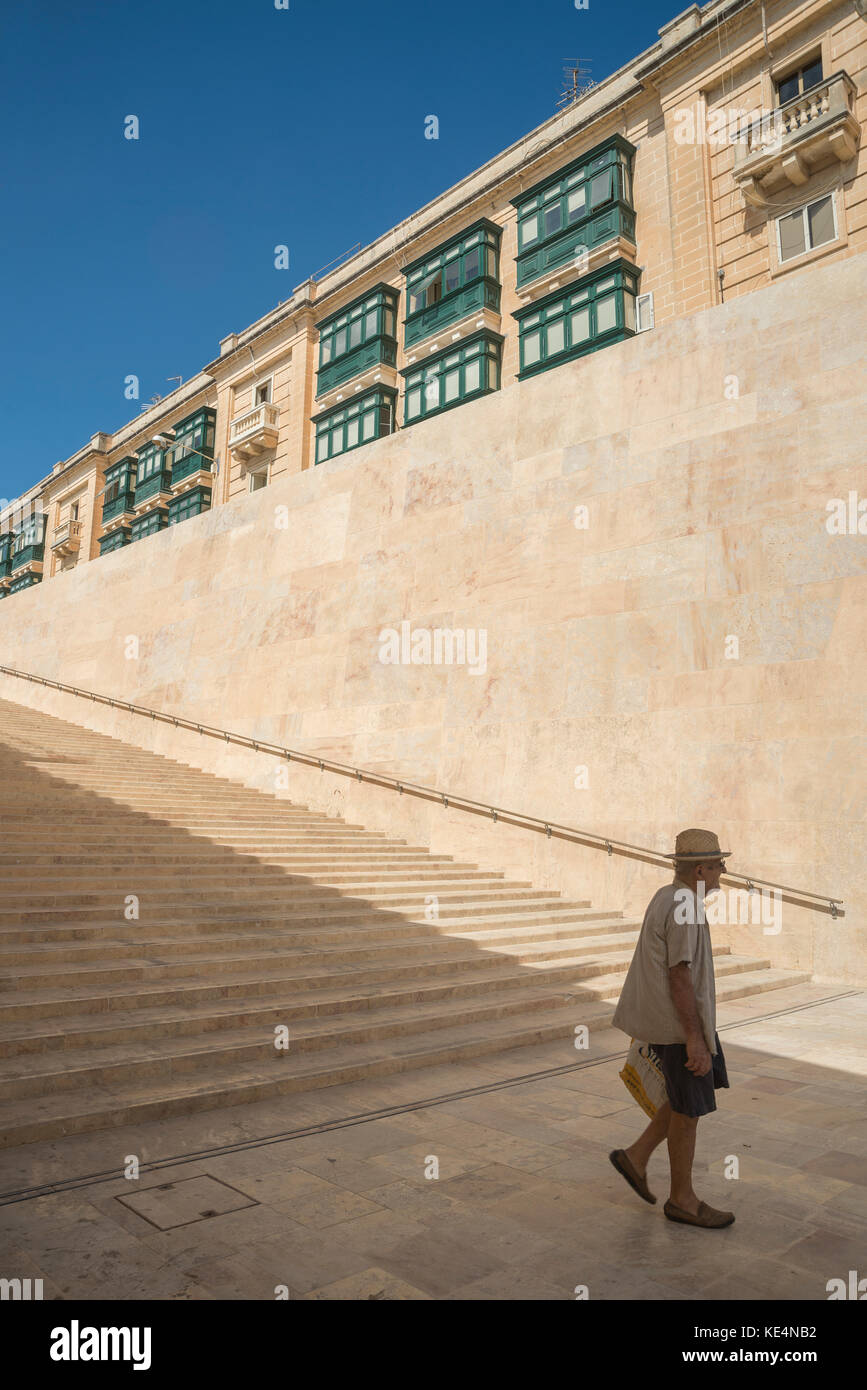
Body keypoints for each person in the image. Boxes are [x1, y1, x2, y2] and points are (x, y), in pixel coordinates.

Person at [608, 828, 735, 1229]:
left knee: (686, 1101)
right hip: (681, 1028)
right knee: (688, 1110)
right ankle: (682, 1200)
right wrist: (695, 1039)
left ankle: (635, 1156)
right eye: (717, 866)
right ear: (700, 869)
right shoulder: (684, 906)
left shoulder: (669, 895)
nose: (722, 872)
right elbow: (679, 977)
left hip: (679, 1025)